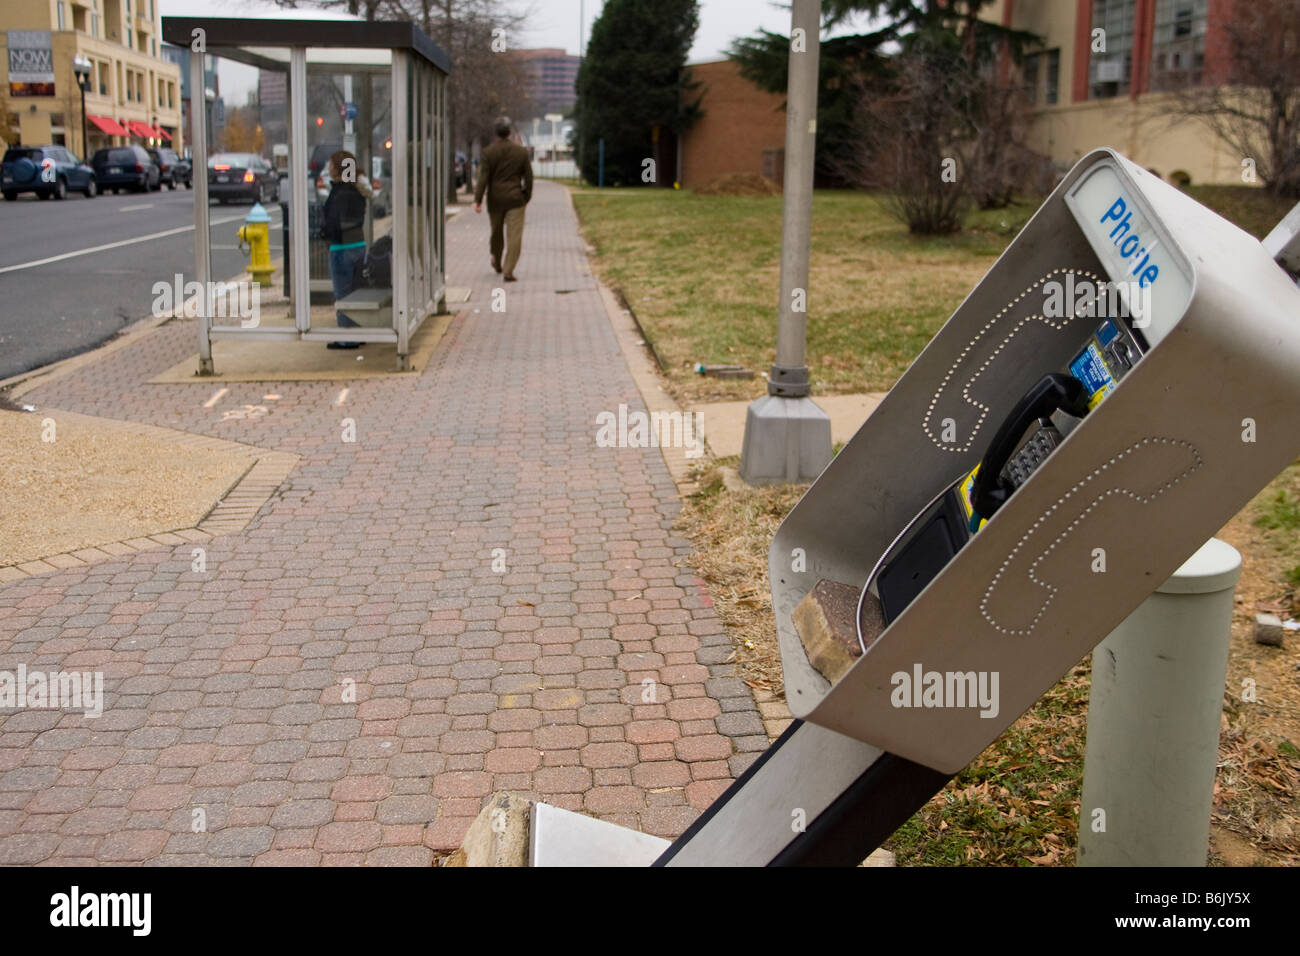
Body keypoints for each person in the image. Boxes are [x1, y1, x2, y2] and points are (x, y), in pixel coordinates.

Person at [474, 116, 533, 282]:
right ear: (510, 132)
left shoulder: (488, 152)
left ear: (496, 133)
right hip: (515, 199)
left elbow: (483, 178)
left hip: (495, 199)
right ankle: (508, 269)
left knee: (496, 233)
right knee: (514, 236)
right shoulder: (521, 152)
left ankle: (496, 260)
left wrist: (478, 200)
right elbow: (529, 177)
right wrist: (526, 196)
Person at [320, 149, 367, 349]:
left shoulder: (338, 192)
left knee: (343, 294)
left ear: (338, 168)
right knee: (356, 292)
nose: (328, 168)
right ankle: (358, 332)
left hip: (341, 248)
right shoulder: (356, 189)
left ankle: (347, 337)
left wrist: (325, 234)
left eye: (331, 164)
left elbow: (333, 223)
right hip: (359, 245)